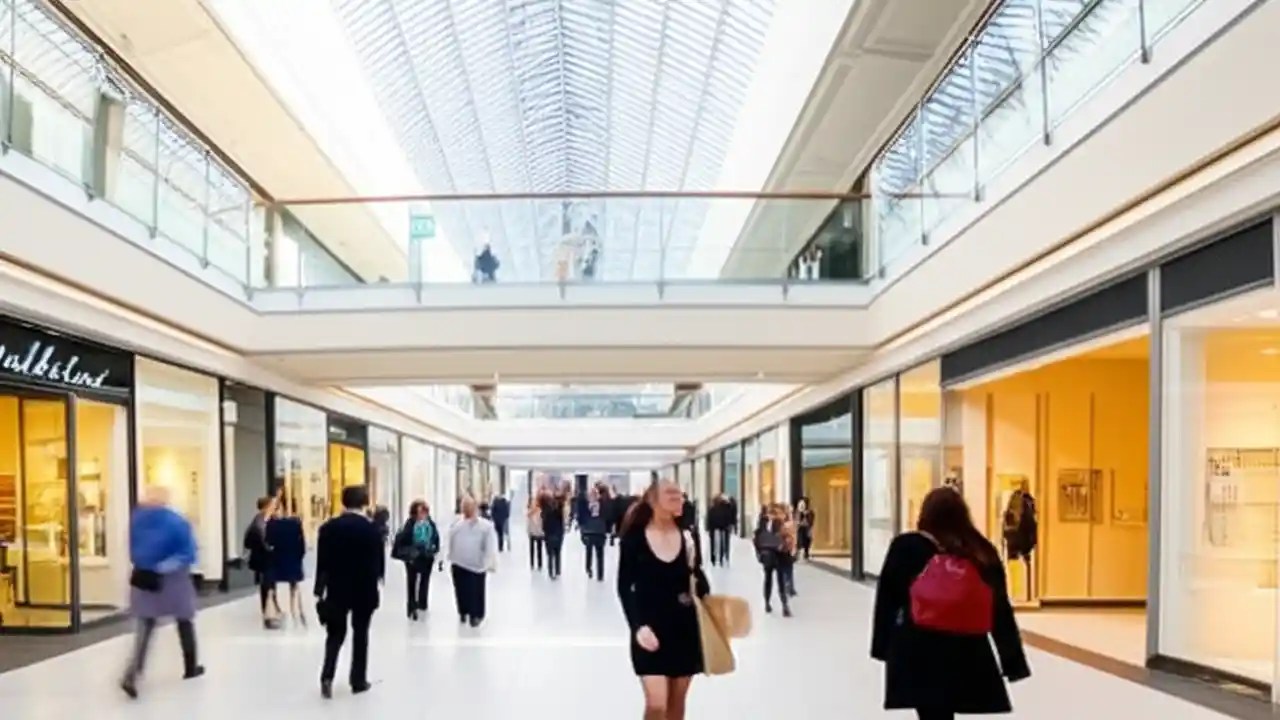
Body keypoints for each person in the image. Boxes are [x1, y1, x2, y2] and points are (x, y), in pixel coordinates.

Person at [871, 488, 1031, 719]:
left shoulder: (906, 547)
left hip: (919, 648)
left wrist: (883, 647)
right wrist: (1012, 661)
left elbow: (887, 599)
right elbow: (999, 608)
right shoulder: (979, 550)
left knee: (933, 713)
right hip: (967, 650)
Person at [617, 479, 709, 720]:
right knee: (657, 704)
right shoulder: (634, 539)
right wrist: (637, 627)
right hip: (650, 628)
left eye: (680, 495)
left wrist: (708, 599)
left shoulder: (688, 535)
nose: (678, 499)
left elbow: (698, 576)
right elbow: (624, 586)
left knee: (676, 704)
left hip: (684, 627)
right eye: (671, 494)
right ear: (653, 500)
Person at [120, 485, 203, 699]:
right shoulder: (177, 522)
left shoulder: (136, 520)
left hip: (144, 579)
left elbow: (132, 550)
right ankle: (191, 666)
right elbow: (189, 552)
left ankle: (132, 673)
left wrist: (145, 565)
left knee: (145, 626)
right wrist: (165, 566)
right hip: (173, 581)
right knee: (184, 621)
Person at [315, 485, 385, 699]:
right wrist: (379, 579)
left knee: (335, 634)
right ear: (364, 502)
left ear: (343, 502)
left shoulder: (328, 528)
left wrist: (319, 589)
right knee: (360, 633)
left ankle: (327, 676)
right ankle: (358, 680)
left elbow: (322, 562)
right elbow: (377, 562)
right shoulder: (372, 529)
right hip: (363, 588)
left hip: (337, 588)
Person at [448, 497, 498, 627]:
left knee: (476, 591)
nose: (466, 510)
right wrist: (447, 557)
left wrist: (489, 561)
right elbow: (450, 541)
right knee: (461, 590)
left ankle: (476, 615)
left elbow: (490, 545)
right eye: (465, 507)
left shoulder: (485, 526)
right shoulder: (457, 524)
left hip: (477, 564)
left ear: (475, 508)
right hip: (458, 562)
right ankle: (463, 611)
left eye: (469, 507)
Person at [393, 499, 440, 620]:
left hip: (427, 556)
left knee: (425, 580)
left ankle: (423, 603)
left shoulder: (430, 524)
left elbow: (436, 538)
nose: (422, 514)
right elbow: (404, 539)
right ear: (414, 513)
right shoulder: (410, 524)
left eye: (424, 511)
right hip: (413, 557)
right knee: (412, 581)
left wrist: (434, 550)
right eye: (420, 512)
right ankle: (412, 605)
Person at [266, 499, 308, 626]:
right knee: (294, 586)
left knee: (272, 586)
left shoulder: (271, 524)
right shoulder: (295, 523)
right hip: (293, 560)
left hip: (276, 559)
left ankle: (274, 611)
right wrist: (299, 557)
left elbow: (268, 542)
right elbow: (302, 545)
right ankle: (295, 611)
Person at [243, 495, 281, 628]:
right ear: (266, 506)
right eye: (272, 504)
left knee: (269, 583)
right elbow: (262, 537)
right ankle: (269, 610)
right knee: (267, 583)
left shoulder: (268, 519)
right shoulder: (260, 520)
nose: (275, 506)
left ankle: (272, 607)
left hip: (267, 557)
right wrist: (270, 547)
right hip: (264, 557)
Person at [754, 504, 794, 617]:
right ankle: (781, 605)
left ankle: (774, 603)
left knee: (771, 579)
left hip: (771, 555)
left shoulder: (765, 523)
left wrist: (759, 552)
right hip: (775, 555)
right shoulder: (776, 524)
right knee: (775, 580)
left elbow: (758, 539)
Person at [580, 487, 609, 581]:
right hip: (589, 532)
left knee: (600, 554)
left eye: (594, 494)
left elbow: (606, 516)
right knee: (589, 552)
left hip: (599, 532)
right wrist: (583, 532)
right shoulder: (585, 506)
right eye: (591, 495)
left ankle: (600, 575)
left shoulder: (602, 505)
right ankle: (588, 568)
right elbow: (582, 519)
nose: (593, 496)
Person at [542, 491, 567, 580]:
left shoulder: (546, 510)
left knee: (550, 554)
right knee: (557, 552)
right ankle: (557, 570)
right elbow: (562, 522)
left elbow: (544, 523)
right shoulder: (559, 510)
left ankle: (551, 571)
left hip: (549, 534)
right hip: (558, 533)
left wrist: (544, 532)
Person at [527, 496, 545, 570]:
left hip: (539, 532)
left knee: (539, 549)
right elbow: (528, 520)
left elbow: (542, 521)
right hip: (532, 531)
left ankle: (540, 564)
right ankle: (532, 564)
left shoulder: (541, 511)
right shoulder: (530, 512)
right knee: (531, 549)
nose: (534, 503)